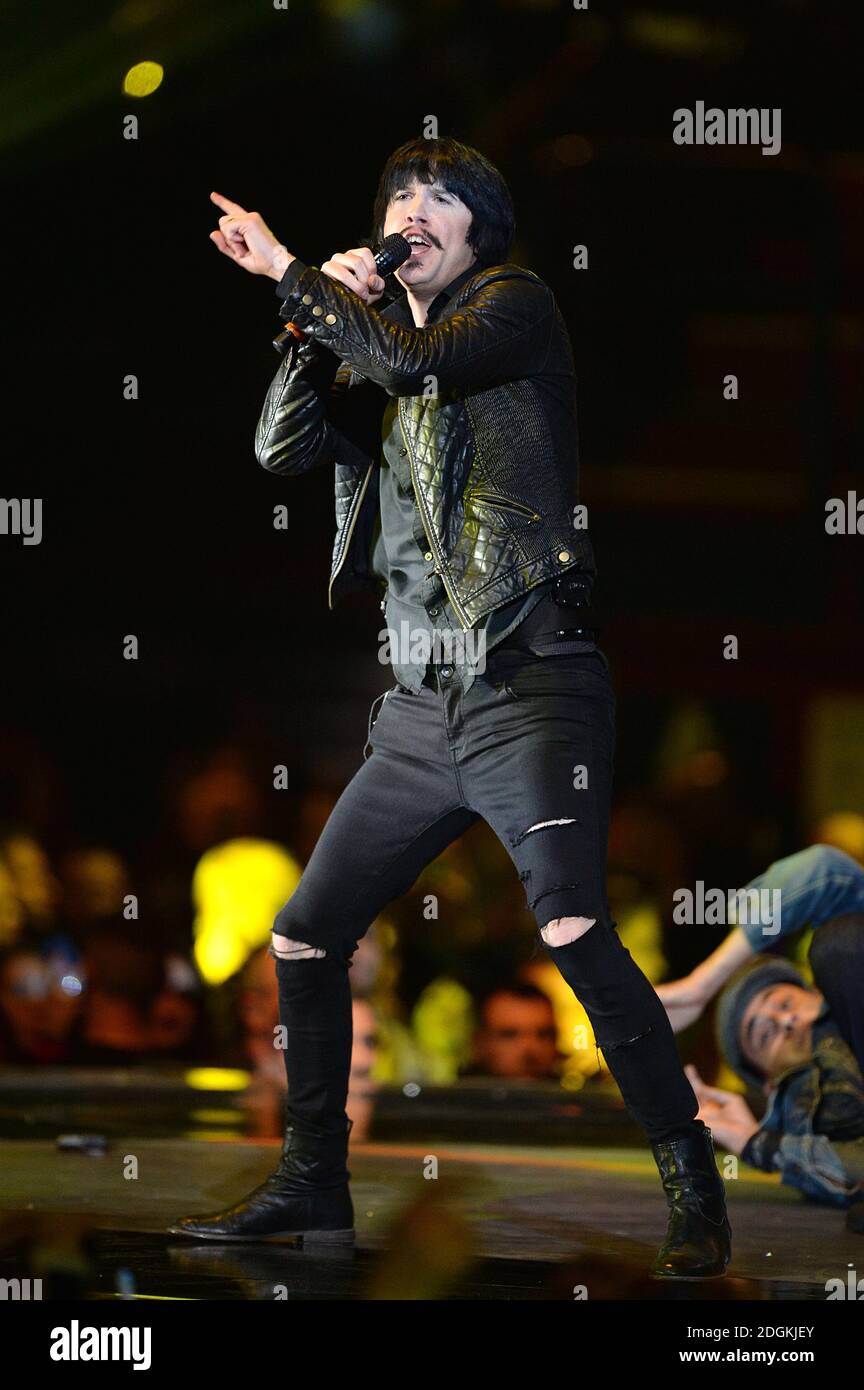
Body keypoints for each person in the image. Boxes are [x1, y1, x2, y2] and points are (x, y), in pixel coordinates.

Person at [172, 137, 730, 1278]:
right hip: (420, 710)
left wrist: (301, 280)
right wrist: (311, 318)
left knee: (571, 929)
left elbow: (418, 370)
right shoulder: (376, 355)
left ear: (481, 233)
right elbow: (282, 447)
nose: (411, 214)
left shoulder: (511, 312)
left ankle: (690, 1173)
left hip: (529, 686)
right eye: (397, 200)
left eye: (440, 201)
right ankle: (313, 1186)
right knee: (303, 933)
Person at [657, 843, 864, 1220]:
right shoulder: (807, 1129)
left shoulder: (849, 971)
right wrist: (754, 1143)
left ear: (816, 991)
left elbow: (825, 869)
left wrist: (701, 985)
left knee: (839, 941)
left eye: (785, 1003)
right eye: (765, 1036)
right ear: (770, 1084)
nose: (786, 1022)